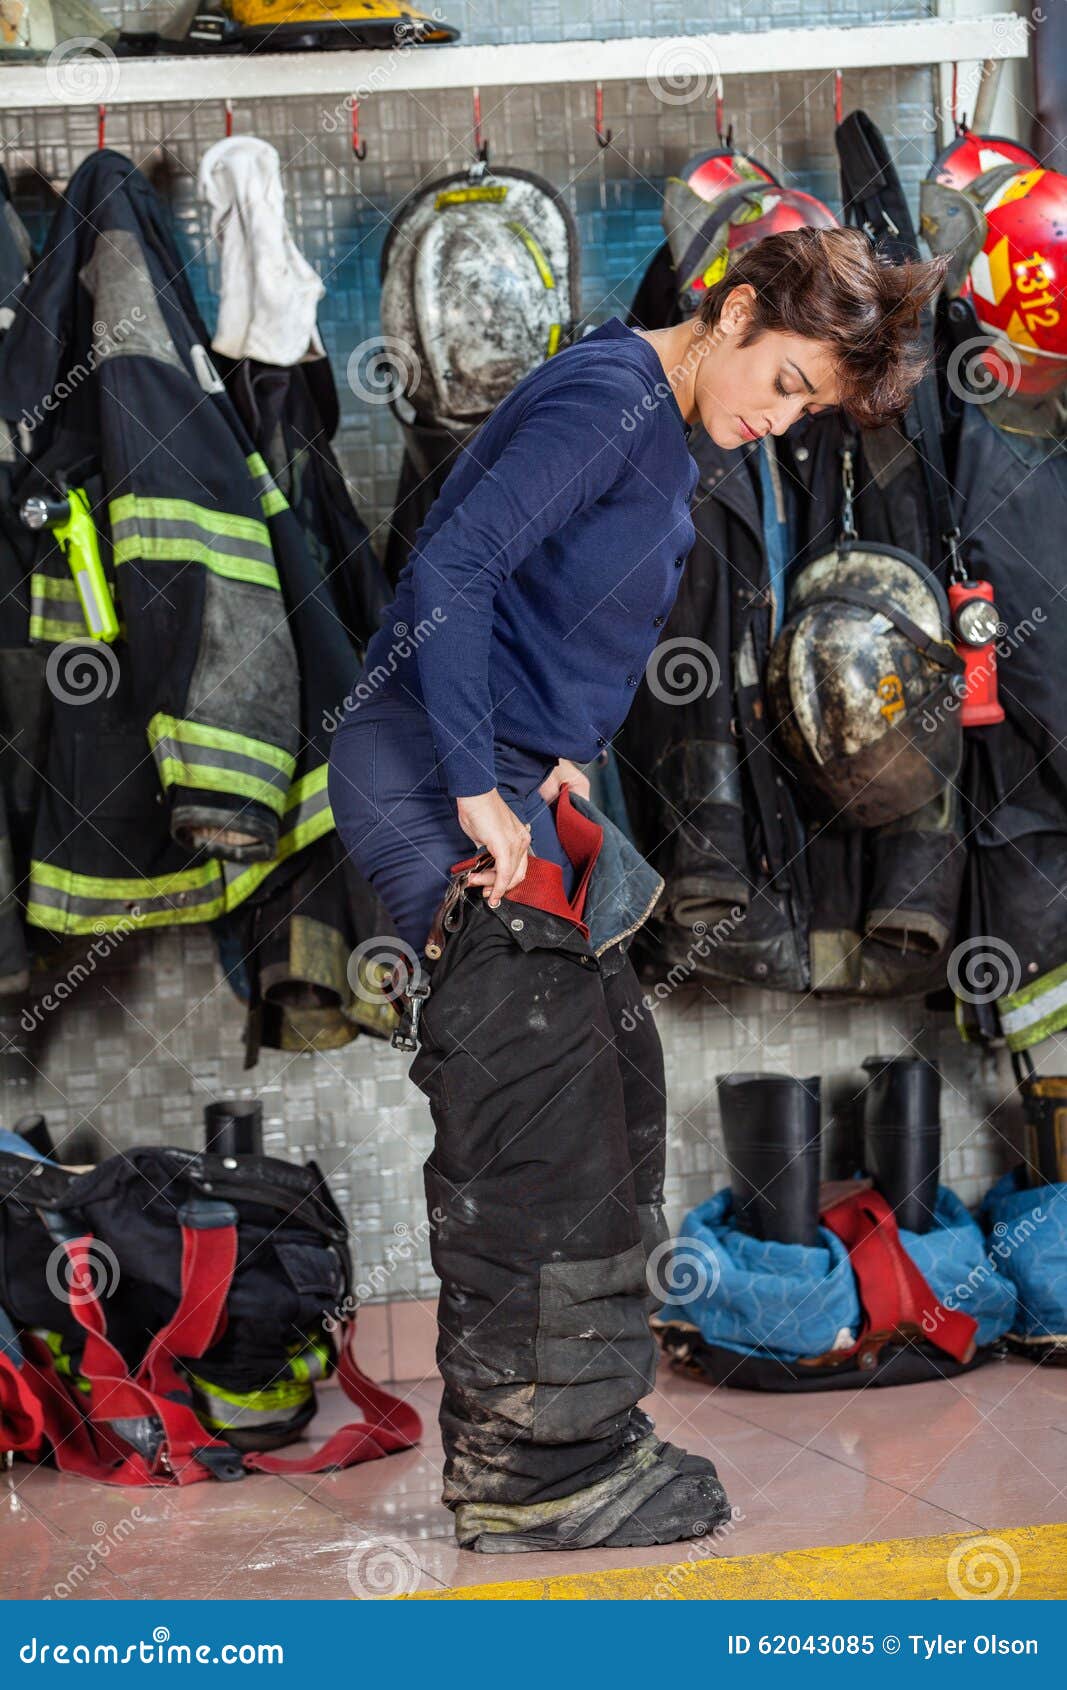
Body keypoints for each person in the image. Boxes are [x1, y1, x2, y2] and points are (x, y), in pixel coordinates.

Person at [327, 225, 946, 1553]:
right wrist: (481, 790)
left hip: (502, 772)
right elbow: (453, 570)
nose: (781, 422)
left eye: (808, 410)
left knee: (614, 1071)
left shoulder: (663, 424)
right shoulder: (613, 398)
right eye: (786, 383)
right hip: (429, 776)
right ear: (733, 313)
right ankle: (527, 1466)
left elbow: (559, 614)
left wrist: (551, 764)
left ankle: (586, 1428)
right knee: (533, 1094)